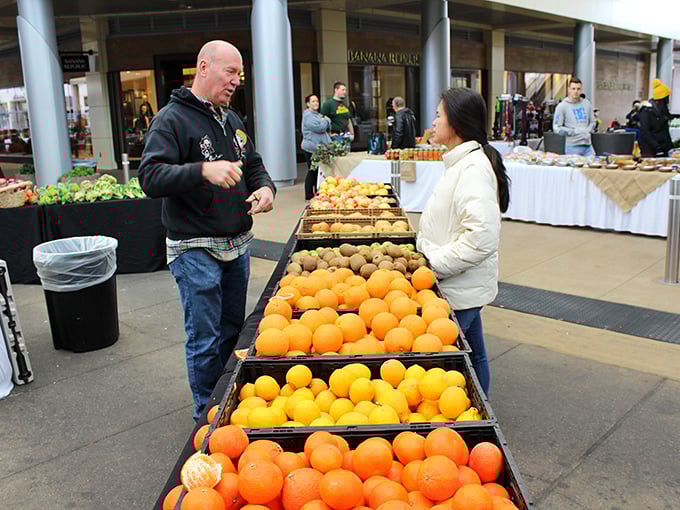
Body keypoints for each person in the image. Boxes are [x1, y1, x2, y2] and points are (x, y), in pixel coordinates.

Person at [138, 40, 276, 422]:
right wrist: (201, 170)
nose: (236, 81)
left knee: (234, 332)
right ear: (203, 68)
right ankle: (207, 417)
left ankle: (229, 402)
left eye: (239, 75)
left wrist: (265, 188)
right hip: (195, 248)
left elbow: (254, 165)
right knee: (205, 340)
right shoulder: (171, 118)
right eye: (229, 72)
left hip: (237, 243)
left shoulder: (232, 119)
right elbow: (149, 177)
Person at [417, 88, 510, 396]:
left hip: (457, 284)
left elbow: (481, 237)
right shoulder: (462, 163)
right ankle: (478, 408)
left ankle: (470, 418)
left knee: (450, 359)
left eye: (438, 115)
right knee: (475, 352)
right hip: (460, 285)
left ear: (454, 124)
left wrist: (433, 267)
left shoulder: (472, 169)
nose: (433, 121)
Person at [553, 78, 596, 156]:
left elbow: (593, 122)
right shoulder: (562, 106)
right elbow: (556, 127)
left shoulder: (587, 104)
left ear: (581, 90)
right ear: (569, 89)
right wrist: (572, 132)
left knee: (594, 166)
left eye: (578, 89)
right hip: (572, 147)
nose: (576, 91)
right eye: (573, 89)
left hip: (588, 146)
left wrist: (588, 130)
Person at [301, 94, 331, 200]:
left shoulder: (317, 115)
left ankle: (314, 193)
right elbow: (320, 128)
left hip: (317, 148)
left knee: (316, 171)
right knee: (312, 170)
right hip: (310, 148)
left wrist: (325, 121)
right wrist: (326, 121)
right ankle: (309, 195)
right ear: (308, 104)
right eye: (313, 101)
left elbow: (325, 126)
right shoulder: (308, 115)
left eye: (317, 101)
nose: (316, 103)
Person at [639, 79, 673, 157]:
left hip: (663, 148)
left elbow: (665, 131)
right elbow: (645, 132)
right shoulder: (646, 110)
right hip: (650, 150)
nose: (667, 101)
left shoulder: (663, 111)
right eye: (666, 98)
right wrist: (657, 147)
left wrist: (670, 147)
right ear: (661, 99)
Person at [320, 81, 354, 149]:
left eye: (345, 90)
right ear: (336, 90)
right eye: (343, 90)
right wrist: (329, 134)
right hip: (335, 137)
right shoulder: (328, 104)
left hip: (346, 136)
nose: (345, 92)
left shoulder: (345, 105)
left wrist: (352, 134)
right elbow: (322, 120)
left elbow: (348, 120)